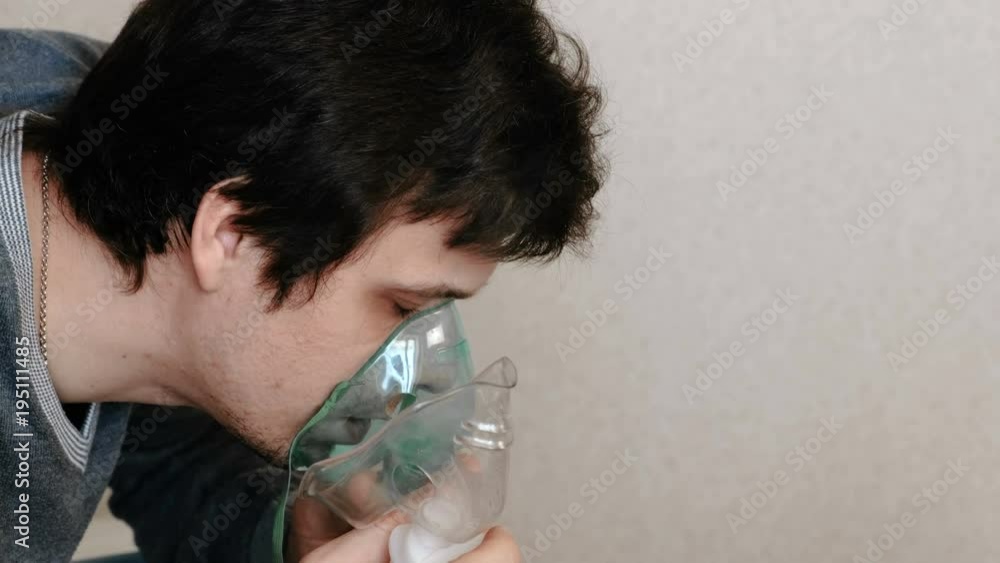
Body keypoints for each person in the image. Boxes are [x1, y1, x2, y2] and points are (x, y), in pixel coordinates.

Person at [0, 0, 606, 561]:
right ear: (231, 233)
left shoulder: (118, 112)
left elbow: (168, 447)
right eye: (401, 306)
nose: (412, 385)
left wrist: (294, 534)